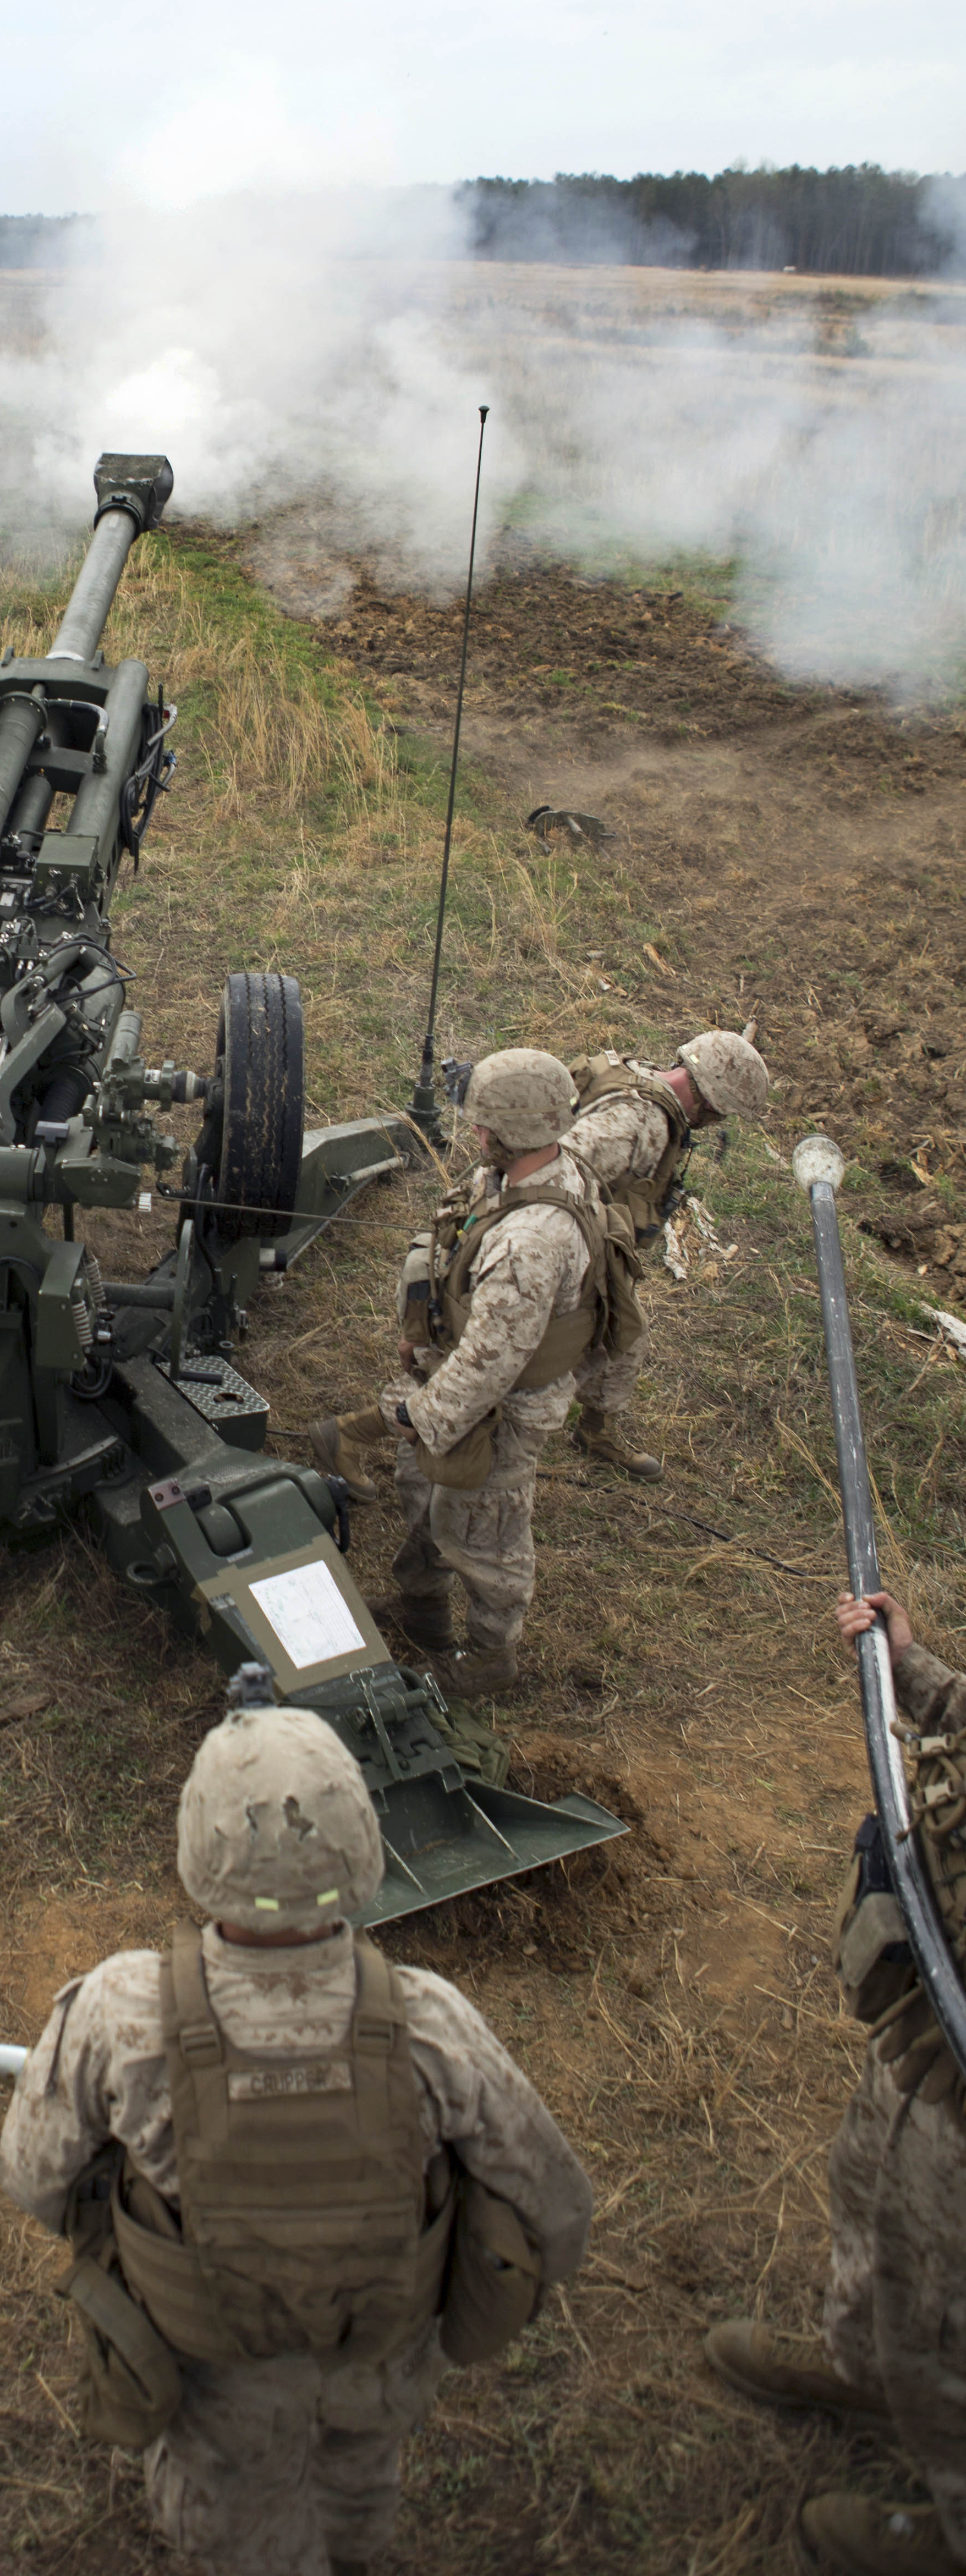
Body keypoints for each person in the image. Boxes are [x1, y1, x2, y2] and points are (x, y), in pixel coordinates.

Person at [0, 1691, 592, 2575]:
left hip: (212, 2376)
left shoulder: (121, 2013)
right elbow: (557, 2206)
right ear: (359, 1844)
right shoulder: (431, 2022)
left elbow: (33, 2178)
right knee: (357, 2492)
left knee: (235, 2530)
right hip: (379, 2361)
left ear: (201, 1848)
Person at [705, 1587, 966, 2575]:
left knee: (953, 2319)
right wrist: (916, 1670)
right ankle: (862, 2363)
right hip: (927, 2030)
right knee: (867, 2179)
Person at [300, 1048, 621, 1699]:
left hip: (502, 1409)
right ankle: (424, 1611)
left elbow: (489, 1367)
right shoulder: (522, 1173)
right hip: (459, 1372)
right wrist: (418, 1340)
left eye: (483, 1125)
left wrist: (408, 1416)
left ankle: (487, 1660)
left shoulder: (533, 1242)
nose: (474, 1134)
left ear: (514, 1132)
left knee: (484, 1532)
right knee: (424, 1488)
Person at [559, 1027, 772, 1482]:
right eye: (719, 1115)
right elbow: (561, 1175)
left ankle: (595, 1431)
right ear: (710, 1102)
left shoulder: (644, 1081)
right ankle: (508, 1425)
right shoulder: (641, 1120)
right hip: (563, 1245)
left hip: (595, 1244)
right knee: (582, 1347)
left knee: (629, 1336)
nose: (716, 1123)